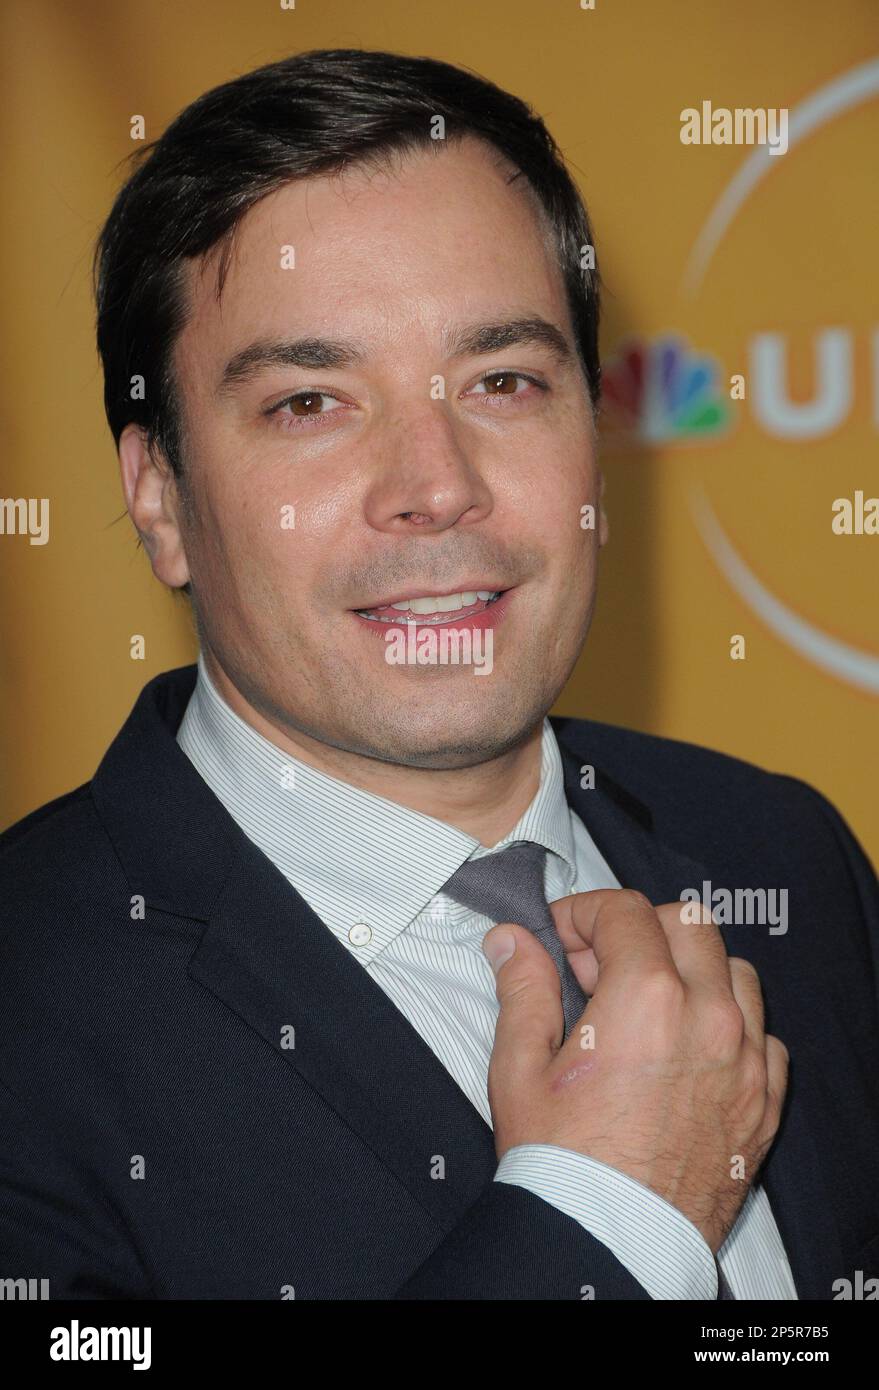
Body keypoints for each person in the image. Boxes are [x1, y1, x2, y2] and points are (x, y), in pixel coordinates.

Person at [1, 48, 877, 1301]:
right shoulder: (27, 1016)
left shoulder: (787, 855)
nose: (437, 485)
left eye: (503, 382)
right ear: (159, 496)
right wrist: (610, 1209)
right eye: (311, 403)